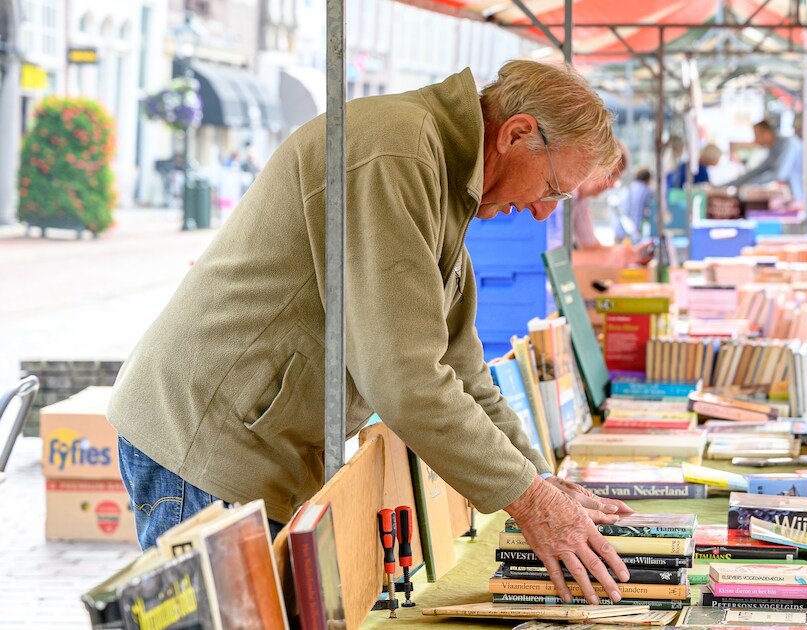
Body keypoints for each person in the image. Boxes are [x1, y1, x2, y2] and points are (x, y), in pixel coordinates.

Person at [110, 60, 636, 606]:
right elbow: (406, 381)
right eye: (552, 188)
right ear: (517, 133)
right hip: (208, 439)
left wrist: (539, 481)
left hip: (255, 436)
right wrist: (528, 500)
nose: (540, 211)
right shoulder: (398, 153)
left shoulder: (445, 176)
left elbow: (463, 370)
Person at [571, 144, 652, 266]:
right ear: (590, 163)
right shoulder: (562, 197)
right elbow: (554, 259)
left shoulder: (581, 200)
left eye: (615, 179)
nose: (612, 185)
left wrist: (629, 253)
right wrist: (612, 258)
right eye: (610, 174)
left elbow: (591, 246)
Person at [726, 120, 804, 199]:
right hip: (794, 197)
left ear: (766, 133)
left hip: (802, 196)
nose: (755, 140)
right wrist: (730, 184)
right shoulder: (774, 148)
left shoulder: (788, 143)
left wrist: (748, 184)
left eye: (756, 135)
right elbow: (758, 170)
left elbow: (779, 174)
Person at [613, 167, 653, 244]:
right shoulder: (646, 191)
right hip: (634, 233)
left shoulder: (627, 189)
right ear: (648, 179)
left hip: (619, 231)